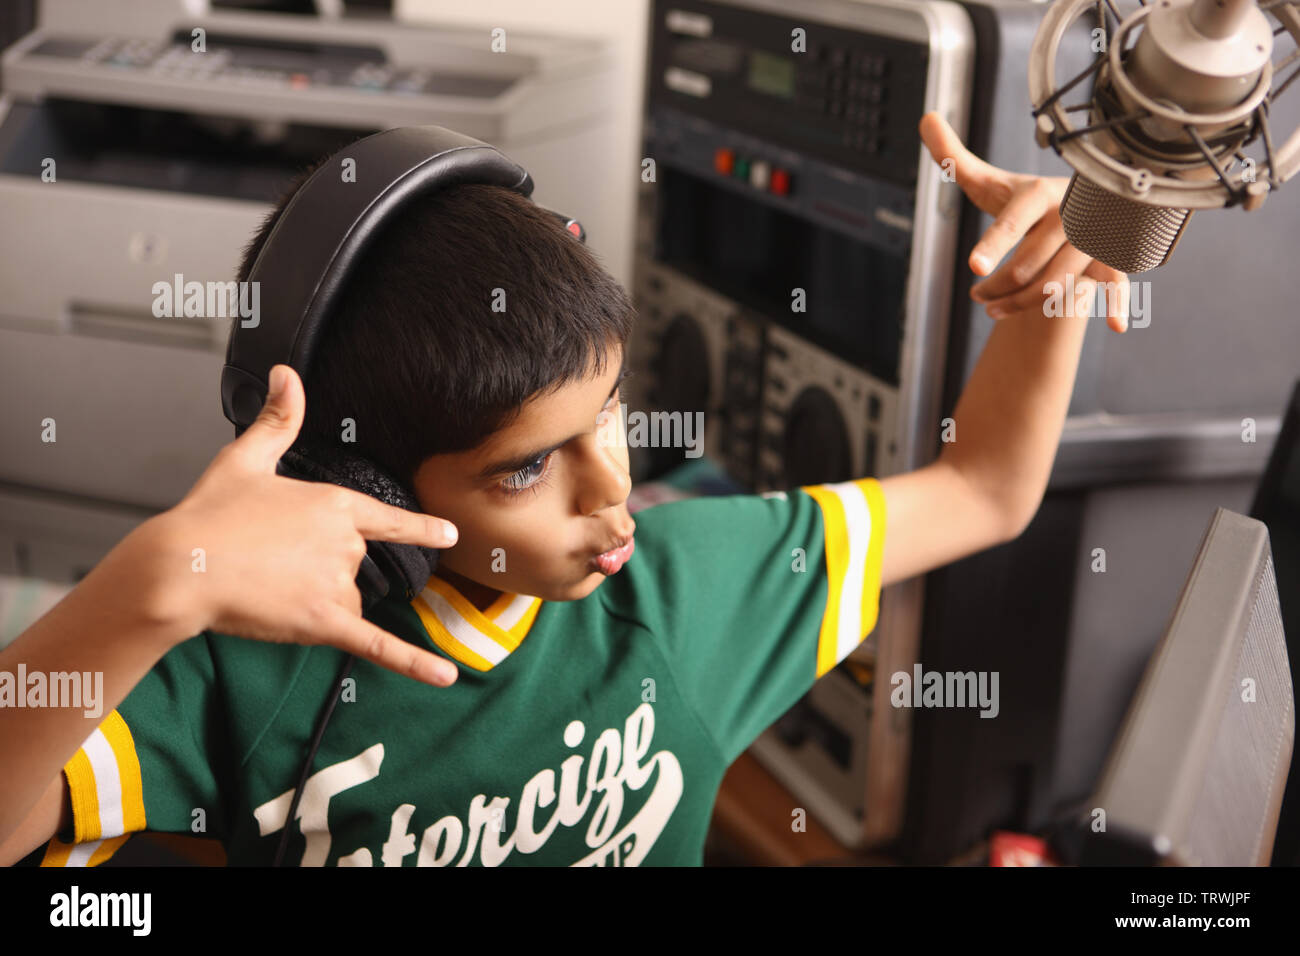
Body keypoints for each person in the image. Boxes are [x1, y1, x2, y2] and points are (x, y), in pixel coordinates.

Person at [0, 113, 1128, 867]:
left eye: (612, 416)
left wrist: (1086, 240)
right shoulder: (252, 665)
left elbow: (985, 488)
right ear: (364, 485)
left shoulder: (687, 589)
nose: (610, 493)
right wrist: (148, 586)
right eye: (528, 467)